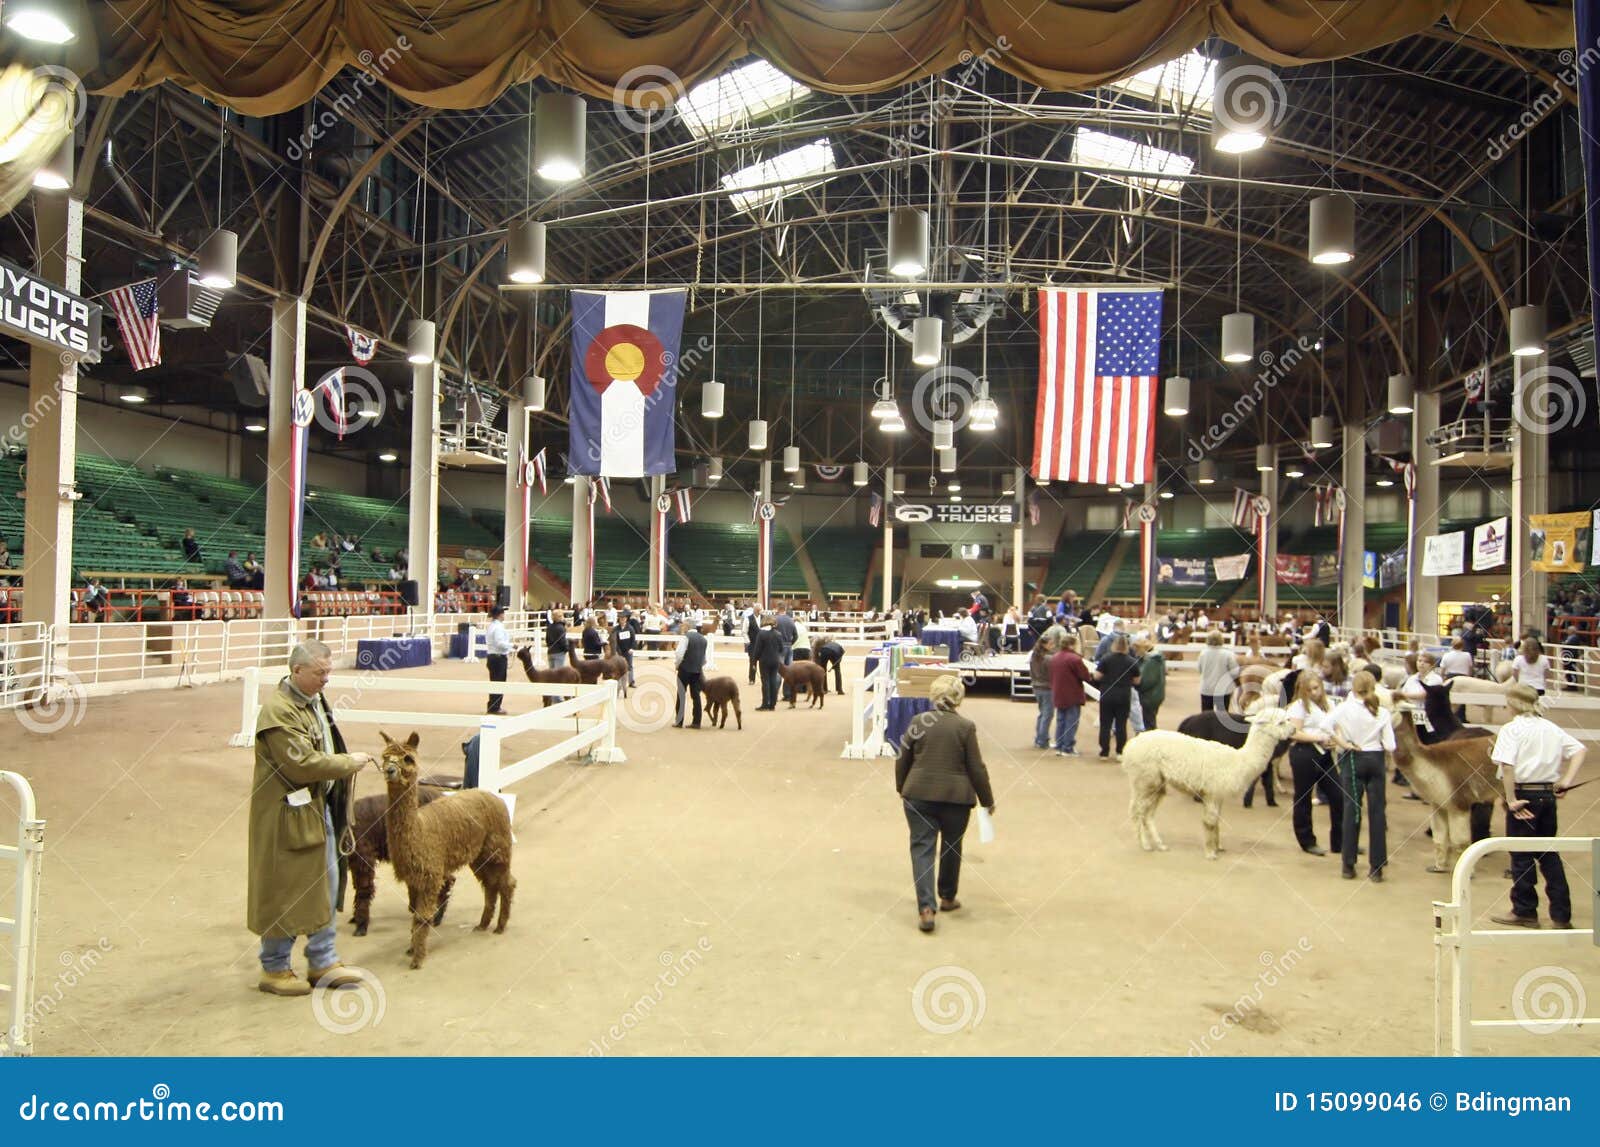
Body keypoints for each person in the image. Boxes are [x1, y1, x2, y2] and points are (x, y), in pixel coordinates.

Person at [247, 640, 376, 996]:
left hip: (316, 810)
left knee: (326, 885)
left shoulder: (313, 701)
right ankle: (274, 968)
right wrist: (347, 763)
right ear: (297, 670)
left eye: (328, 672)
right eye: (320, 673)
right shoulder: (279, 712)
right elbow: (300, 764)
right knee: (284, 889)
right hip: (286, 818)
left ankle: (323, 961)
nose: (326, 679)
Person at [894, 675, 994, 934]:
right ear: (959, 698)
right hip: (956, 798)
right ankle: (947, 897)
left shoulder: (918, 722)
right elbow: (977, 768)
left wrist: (902, 787)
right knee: (952, 846)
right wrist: (987, 800)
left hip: (918, 795)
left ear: (934, 695)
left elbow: (902, 758)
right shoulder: (966, 727)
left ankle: (926, 908)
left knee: (922, 848)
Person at [1489, 684, 1585, 928]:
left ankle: (1525, 910)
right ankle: (1561, 915)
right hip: (1546, 795)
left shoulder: (1511, 729)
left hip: (1524, 795)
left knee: (1521, 854)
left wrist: (1511, 799)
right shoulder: (1550, 727)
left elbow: (1507, 766)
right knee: (1548, 853)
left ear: (1514, 703)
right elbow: (1579, 750)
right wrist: (1566, 782)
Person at [1329, 672, 1394, 882]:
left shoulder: (1344, 708)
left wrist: (1343, 743)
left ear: (1353, 687)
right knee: (1377, 813)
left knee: (1352, 811)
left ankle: (1348, 864)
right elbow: (1391, 745)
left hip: (1353, 758)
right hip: (1375, 759)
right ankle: (1377, 867)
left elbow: (1325, 725)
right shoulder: (1382, 712)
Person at [1282, 672, 1343, 855]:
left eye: (1316, 688)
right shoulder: (1298, 707)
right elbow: (1294, 732)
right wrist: (1319, 738)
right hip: (1304, 753)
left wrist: (1335, 740)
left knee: (1338, 796)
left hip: (1325, 754)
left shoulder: (1329, 704)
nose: (1314, 693)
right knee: (1303, 797)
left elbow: (1337, 727)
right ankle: (1307, 841)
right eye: (1309, 690)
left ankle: (1340, 841)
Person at [1093, 634, 1140, 759]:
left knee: (1105, 724)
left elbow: (1097, 676)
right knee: (1121, 725)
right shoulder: (1131, 661)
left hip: (1107, 694)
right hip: (1123, 695)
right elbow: (1137, 681)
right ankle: (1120, 751)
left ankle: (1104, 752)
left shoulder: (1106, 659)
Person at [673, 622, 708, 729]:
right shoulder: (703, 639)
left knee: (681, 695)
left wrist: (677, 665)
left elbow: (679, 654)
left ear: (688, 626)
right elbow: (704, 659)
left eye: (683, 625)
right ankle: (696, 722)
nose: (682, 627)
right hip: (697, 670)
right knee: (696, 696)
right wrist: (698, 665)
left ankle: (679, 721)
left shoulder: (686, 637)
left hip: (684, 669)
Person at [1029, 630, 1059, 750]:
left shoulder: (1034, 656)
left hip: (1037, 687)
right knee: (1047, 715)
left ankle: (1039, 739)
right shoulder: (1048, 659)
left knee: (1042, 714)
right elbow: (1053, 674)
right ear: (1044, 645)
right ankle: (1042, 741)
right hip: (1047, 688)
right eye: (1051, 644)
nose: (1053, 646)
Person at [1197, 630, 1239, 713]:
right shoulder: (1228, 654)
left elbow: (1199, 669)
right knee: (1222, 716)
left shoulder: (1203, 653)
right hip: (1223, 690)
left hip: (1207, 689)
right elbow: (1235, 671)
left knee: (1207, 715)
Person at [751, 614, 786, 711]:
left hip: (764, 661)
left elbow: (757, 650)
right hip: (775, 660)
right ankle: (772, 704)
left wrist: (754, 662)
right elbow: (781, 649)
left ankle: (765, 703)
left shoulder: (761, 634)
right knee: (773, 681)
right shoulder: (778, 634)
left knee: (765, 682)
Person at [484, 604, 512, 715]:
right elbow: (499, 643)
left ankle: (493, 705)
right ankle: (495, 707)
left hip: (492, 656)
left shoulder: (492, 626)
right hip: (498, 657)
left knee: (494, 682)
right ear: (500, 615)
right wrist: (511, 646)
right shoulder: (498, 627)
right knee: (499, 682)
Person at [1133, 637, 1165, 730]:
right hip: (1155, 695)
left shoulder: (1151, 662)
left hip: (1150, 697)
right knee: (1150, 720)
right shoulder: (1155, 659)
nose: (1135, 653)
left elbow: (1147, 681)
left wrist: (1136, 685)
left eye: (1136, 651)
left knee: (1149, 722)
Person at [614, 608, 638, 686]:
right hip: (619, 651)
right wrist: (617, 650)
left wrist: (632, 648)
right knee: (619, 666)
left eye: (624, 618)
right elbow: (615, 641)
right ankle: (619, 682)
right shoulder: (616, 629)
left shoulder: (630, 628)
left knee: (629, 666)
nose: (622, 620)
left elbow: (633, 639)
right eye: (621, 618)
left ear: (626, 619)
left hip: (628, 651)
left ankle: (631, 682)